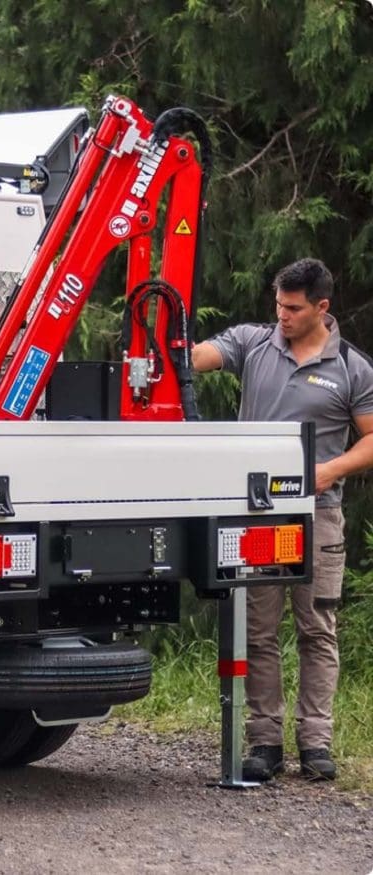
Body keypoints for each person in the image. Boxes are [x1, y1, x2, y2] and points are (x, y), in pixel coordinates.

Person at [192, 257, 373, 781]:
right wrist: (179, 350)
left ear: (322, 306)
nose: (282, 316)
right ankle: (264, 742)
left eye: (293, 308)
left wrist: (330, 470)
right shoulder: (254, 343)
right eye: (278, 305)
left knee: (317, 630)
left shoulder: (352, 367)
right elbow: (199, 356)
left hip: (319, 517)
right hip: (256, 519)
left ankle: (316, 743)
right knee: (258, 632)